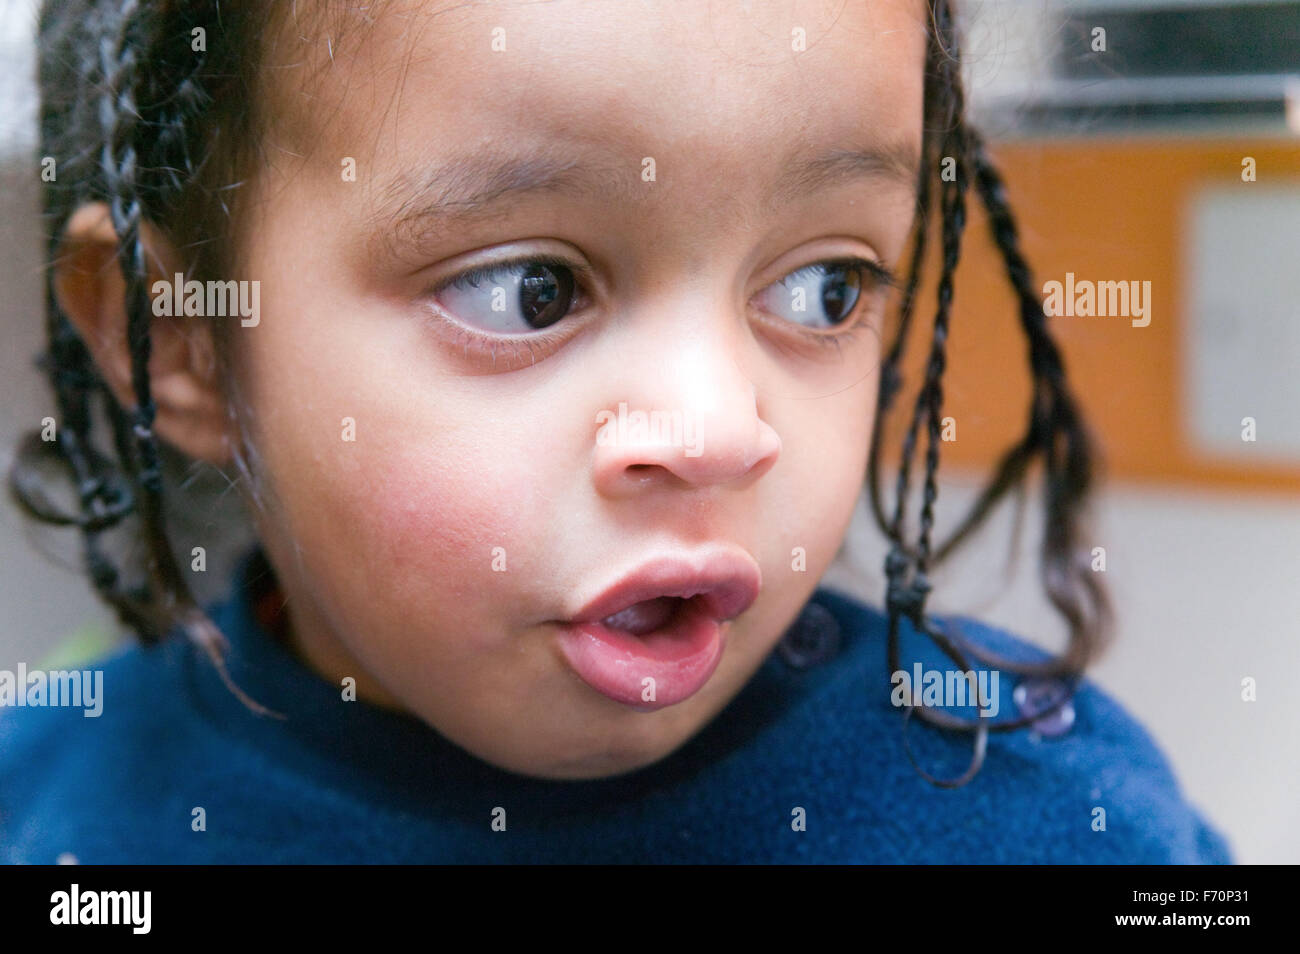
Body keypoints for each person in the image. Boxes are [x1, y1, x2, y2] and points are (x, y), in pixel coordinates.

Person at [1, 0, 1231, 863]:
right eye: (531, 291)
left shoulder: (1048, 819)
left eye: (825, 288)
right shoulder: (45, 815)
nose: (716, 431)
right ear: (182, 341)